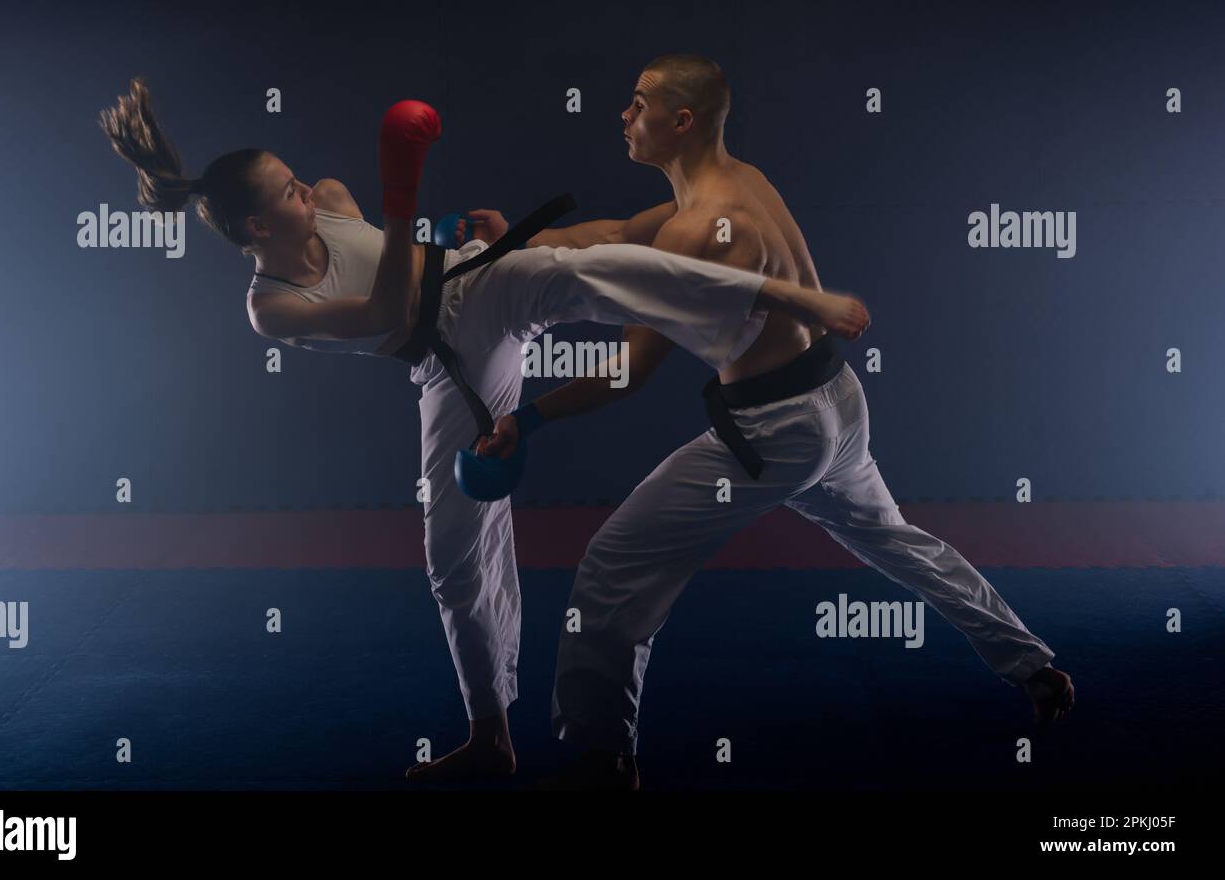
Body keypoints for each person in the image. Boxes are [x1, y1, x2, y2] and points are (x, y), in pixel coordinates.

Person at [98, 77, 871, 782]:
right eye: (289, 190)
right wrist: (401, 196)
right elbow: (383, 313)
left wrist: (417, 220)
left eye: (296, 175)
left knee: (593, 269)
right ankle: (490, 735)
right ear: (259, 225)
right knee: (451, 555)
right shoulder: (268, 307)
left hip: (479, 281)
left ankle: (786, 297)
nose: (309, 184)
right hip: (443, 365)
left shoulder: (329, 195)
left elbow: (410, 270)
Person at [475, 54, 1075, 790]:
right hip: (837, 403)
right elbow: (621, 231)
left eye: (637, 105)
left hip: (777, 433)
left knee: (613, 563)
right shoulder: (734, 182)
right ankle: (1034, 665)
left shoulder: (704, 230)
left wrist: (526, 418)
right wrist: (515, 242)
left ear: (681, 120)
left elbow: (631, 367)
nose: (623, 116)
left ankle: (605, 758)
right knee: (897, 540)